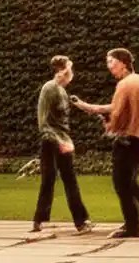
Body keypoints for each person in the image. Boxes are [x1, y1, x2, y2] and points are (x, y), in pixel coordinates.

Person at [74, 48, 139, 239]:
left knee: (121, 184)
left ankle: (133, 225)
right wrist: (88, 107)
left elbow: (116, 112)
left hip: (125, 140)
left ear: (123, 62)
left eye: (111, 62)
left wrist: (104, 119)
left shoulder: (123, 85)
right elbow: (123, 108)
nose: (109, 66)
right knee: (128, 181)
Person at [32, 56, 94, 235]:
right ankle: (78, 221)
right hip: (52, 141)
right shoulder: (49, 88)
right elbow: (43, 121)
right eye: (70, 69)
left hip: (62, 141)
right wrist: (59, 142)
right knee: (52, 179)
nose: (72, 73)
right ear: (63, 71)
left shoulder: (61, 90)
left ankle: (77, 220)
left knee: (64, 180)